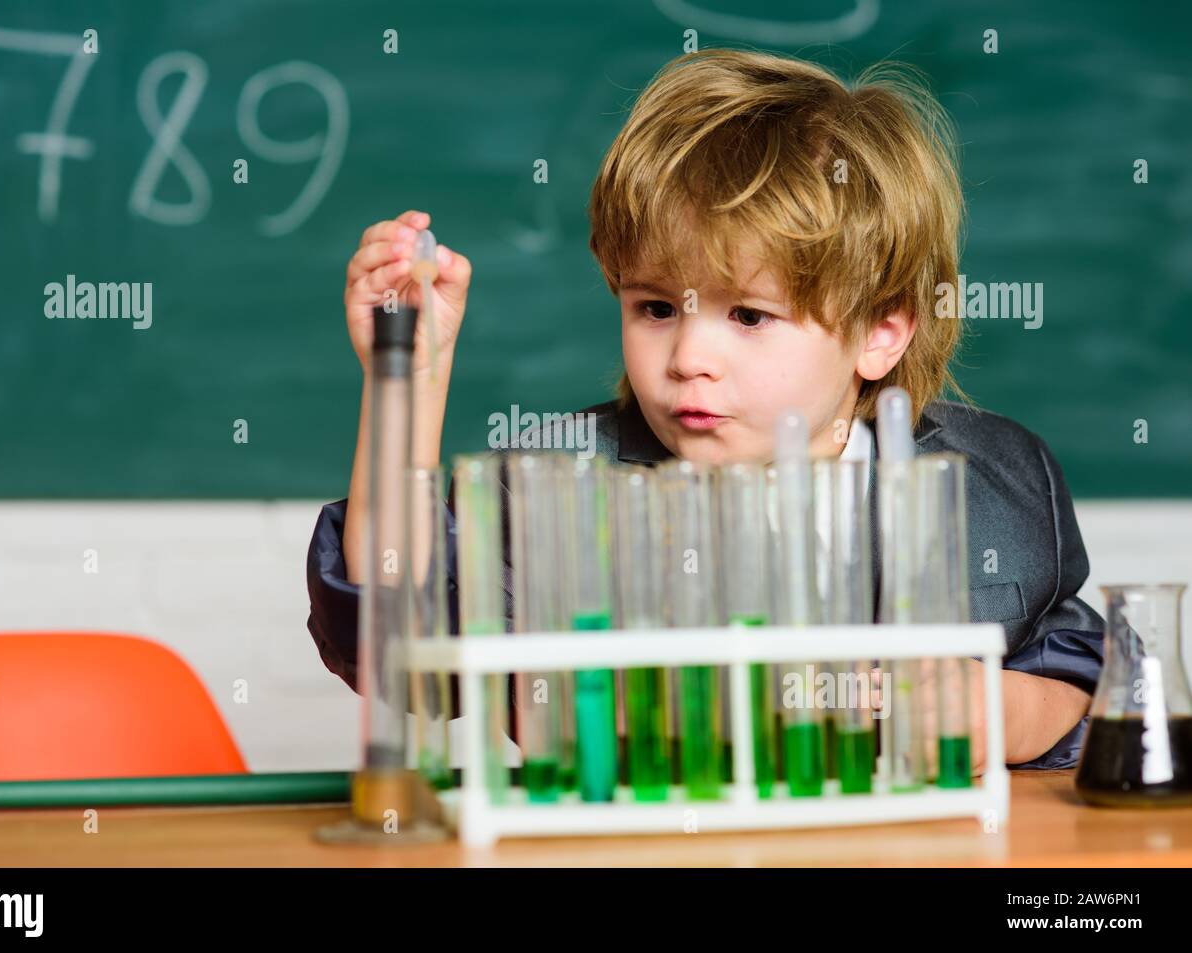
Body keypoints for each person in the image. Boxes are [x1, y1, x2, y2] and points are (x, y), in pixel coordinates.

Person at [307, 50, 1104, 771]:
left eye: (749, 316)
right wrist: (404, 377)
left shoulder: (999, 483)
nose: (689, 357)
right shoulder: (555, 488)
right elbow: (392, 629)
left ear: (880, 332)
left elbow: (1074, 669)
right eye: (655, 307)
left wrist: (996, 711)